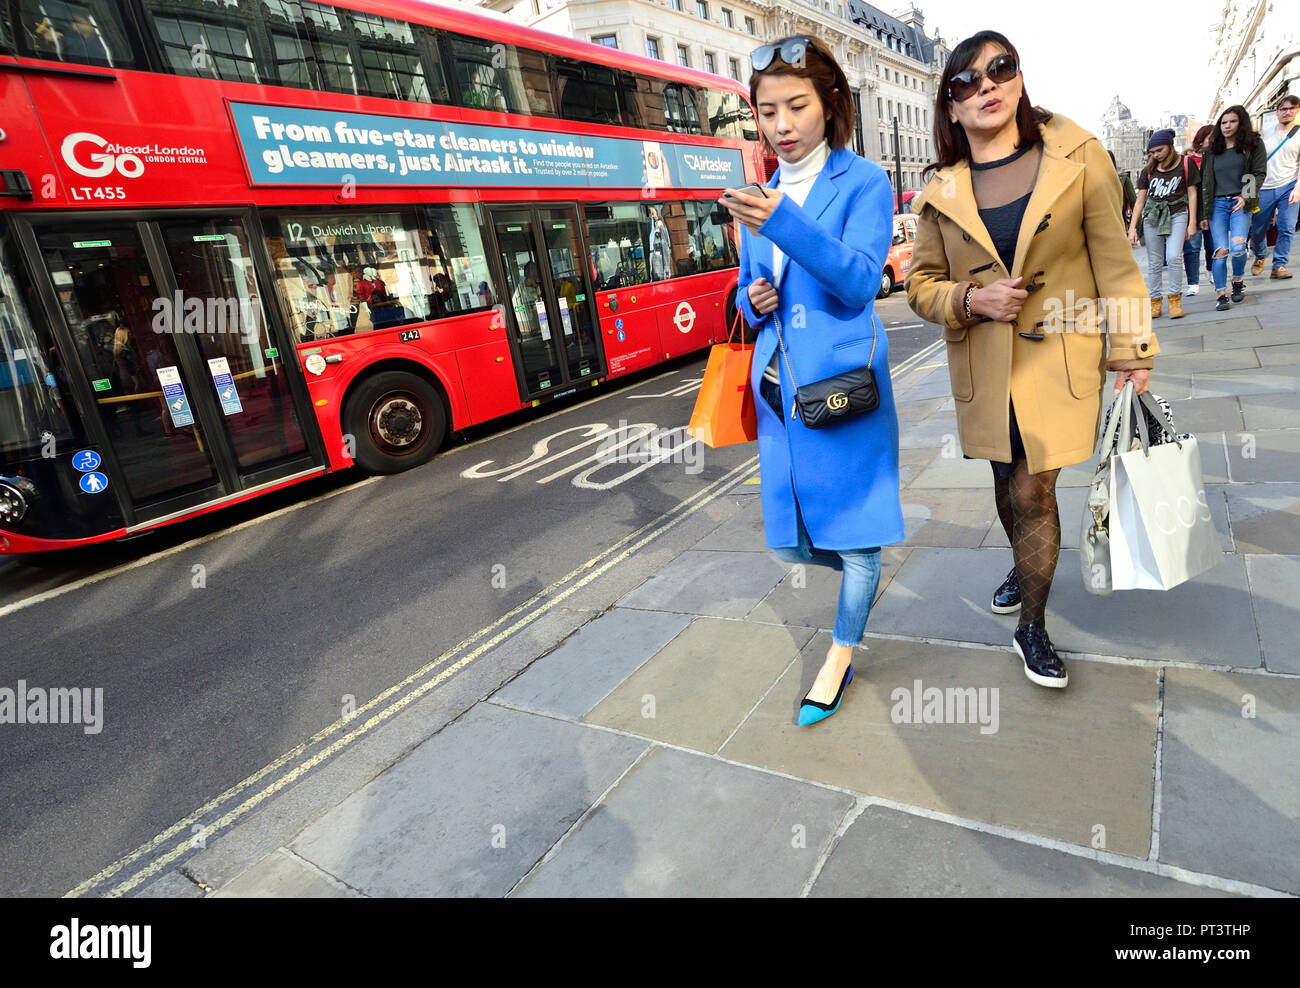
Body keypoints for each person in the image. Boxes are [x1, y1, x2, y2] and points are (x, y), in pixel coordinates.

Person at [906, 30, 1159, 687]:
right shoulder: (941, 187)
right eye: (966, 81)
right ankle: (1024, 560)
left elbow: (1117, 266)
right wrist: (971, 297)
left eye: (1000, 69)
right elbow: (920, 285)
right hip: (984, 367)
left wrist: (1132, 347)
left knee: (1033, 486)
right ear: (953, 108)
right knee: (1003, 480)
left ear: (1020, 80)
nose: (985, 85)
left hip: (1059, 357)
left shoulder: (1076, 154)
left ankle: (1033, 629)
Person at [722, 35, 902, 726]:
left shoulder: (863, 183)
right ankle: (863, 578)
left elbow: (859, 280)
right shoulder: (758, 197)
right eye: (768, 112)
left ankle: (841, 653)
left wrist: (785, 223)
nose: (782, 125)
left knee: (856, 539)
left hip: (842, 388)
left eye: (796, 106)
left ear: (830, 104)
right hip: (779, 395)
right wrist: (752, 299)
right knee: (790, 540)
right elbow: (746, 288)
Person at [1199, 104, 1267, 311]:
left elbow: (1259, 173)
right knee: (1221, 250)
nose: (1227, 126)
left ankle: (1237, 280)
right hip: (1217, 205)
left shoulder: (1253, 144)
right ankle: (1221, 294)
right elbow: (1204, 183)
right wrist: (1203, 214)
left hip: (1240, 203)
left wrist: (1246, 197)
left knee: (1238, 249)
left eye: (1232, 122)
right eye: (1224, 122)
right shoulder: (1210, 151)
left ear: (1241, 123)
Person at [1129, 129, 1199, 319]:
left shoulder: (1186, 163)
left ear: (1169, 146)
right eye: (1152, 152)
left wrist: (1192, 223)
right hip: (1152, 216)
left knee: (1174, 255)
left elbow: (1193, 193)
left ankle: (1175, 298)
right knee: (1154, 261)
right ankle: (1155, 301)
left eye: (1159, 150)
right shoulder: (1148, 170)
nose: (1156, 155)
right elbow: (1140, 200)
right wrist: (1132, 227)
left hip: (1178, 212)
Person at [1249, 95, 1299, 280]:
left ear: (1297, 110)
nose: (1287, 112)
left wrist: (1298, 187)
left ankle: (1279, 265)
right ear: (1277, 112)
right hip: (1264, 187)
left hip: (1289, 185)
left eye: (1291, 108)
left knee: (1287, 226)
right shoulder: (1263, 133)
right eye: (1283, 109)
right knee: (1257, 229)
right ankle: (1260, 254)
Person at [1183, 124, 1217, 295]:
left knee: (1212, 244)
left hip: (1211, 206)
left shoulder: (1217, 157)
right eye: (1209, 137)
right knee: (1191, 247)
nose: (1212, 140)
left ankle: (1210, 267)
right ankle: (1193, 283)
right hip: (1191, 208)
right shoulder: (1187, 159)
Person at [647, 205, 672, 282]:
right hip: (654, 257)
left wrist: (667, 271)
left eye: (653, 213)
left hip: (659, 261)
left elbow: (666, 249)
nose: (652, 215)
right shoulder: (652, 225)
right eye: (650, 213)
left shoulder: (661, 227)